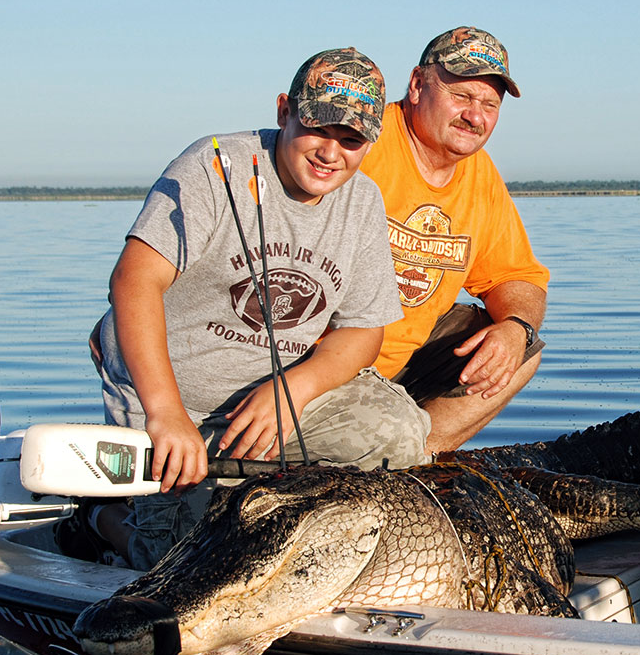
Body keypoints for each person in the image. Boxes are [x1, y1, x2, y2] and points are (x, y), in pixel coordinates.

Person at [78, 48, 431, 569]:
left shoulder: (362, 201)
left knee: (400, 435)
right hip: (174, 403)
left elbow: (362, 331)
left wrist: (293, 391)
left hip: (274, 401)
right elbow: (133, 280)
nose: (331, 152)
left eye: (351, 139)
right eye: (318, 128)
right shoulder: (213, 166)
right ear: (285, 110)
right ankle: (98, 516)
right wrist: (165, 413)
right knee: (182, 566)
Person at [360, 27, 550, 453]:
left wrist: (515, 328)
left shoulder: (480, 174)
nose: (474, 116)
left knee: (522, 349)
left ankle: (416, 460)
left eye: (489, 104)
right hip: (323, 360)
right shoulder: (363, 143)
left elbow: (517, 277)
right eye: (461, 96)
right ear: (416, 85)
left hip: (401, 361)